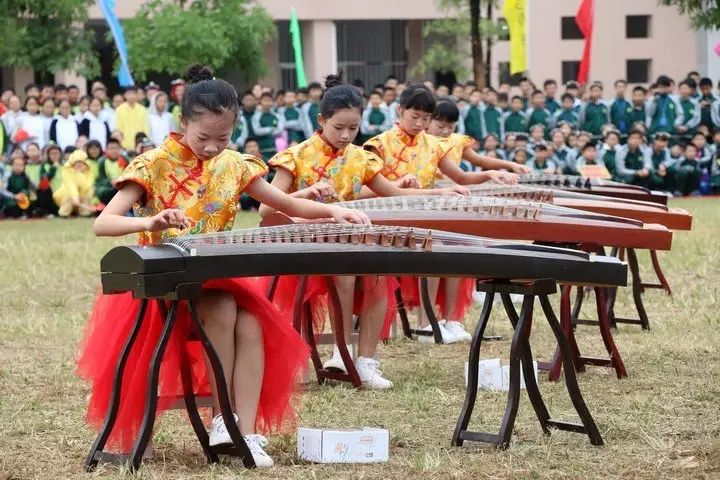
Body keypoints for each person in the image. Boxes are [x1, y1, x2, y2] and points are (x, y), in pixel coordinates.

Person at [76, 64, 368, 467]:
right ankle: (223, 421)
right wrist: (150, 221)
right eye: (203, 137)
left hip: (216, 279)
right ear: (183, 122)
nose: (213, 147)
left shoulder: (235, 164)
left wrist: (332, 214)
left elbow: (286, 204)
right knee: (227, 308)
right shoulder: (152, 164)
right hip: (164, 285)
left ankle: (240, 431)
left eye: (223, 137)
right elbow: (102, 223)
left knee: (252, 323)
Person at [261, 75, 463, 387]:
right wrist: (308, 193)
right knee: (345, 275)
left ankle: (366, 360)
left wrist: (440, 194)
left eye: (353, 129)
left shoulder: (360, 158)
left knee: (379, 276)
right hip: (305, 240)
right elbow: (267, 209)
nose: (345, 135)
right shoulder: (297, 155)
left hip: (349, 238)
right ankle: (342, 351)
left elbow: (392, 194)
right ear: (321, 120)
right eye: (338, 127)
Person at [365, 84, 514, 344]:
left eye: (425, 118)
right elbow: (367, 187)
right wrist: (398, 184)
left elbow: (461, 176)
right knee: (432, 246)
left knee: (460, 244)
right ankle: (426, 323)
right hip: (387, 216)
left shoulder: (433, 144)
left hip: (425, 212)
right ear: (400, 110)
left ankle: (449, 319)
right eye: (415, 117)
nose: (420, 124)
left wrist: (489, 174)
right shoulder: (379, 144)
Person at [52, 149, 96, 217]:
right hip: (68, 194)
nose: (79, 164)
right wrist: (75, 197)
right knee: (67, 194)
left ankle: (84, 213)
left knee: (88, 193)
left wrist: (79, 174)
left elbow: (87, 187)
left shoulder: (88, 171)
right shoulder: (67, 171)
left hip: (82, 197)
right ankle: (64, 213)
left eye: (81, 162)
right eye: (77, 163)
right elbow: (70, 186)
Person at [251, 92, 284, 161]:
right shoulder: (256, 116)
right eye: (265, 100)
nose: (267, 103)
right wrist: (271, 129)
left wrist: (264, 130)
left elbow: (280, 130)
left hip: (275, 148)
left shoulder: (277, 116)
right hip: (261, 148)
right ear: (260, 101)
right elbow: (257, 131)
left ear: (272, 102)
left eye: (269, 100)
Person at [95, 138, 128, 206]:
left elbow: (129, 173)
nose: (113, 151)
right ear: (106, 150)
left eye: (115, 148)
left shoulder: (125, 159)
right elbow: (100, 179)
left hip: (123, 185)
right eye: (111, 148)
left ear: (119, 149)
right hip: (108, 187)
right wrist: (110, 182)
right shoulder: (102, 161)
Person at [115, 87, 149, 152]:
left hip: (140, 144)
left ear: (136, 95)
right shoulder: (119, 109)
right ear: (125, 95)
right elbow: (118, 129)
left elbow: (145, 128)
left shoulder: (143, 109)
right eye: (129, 94)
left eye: (133, 94)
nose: (131, 96)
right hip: (124, 145)